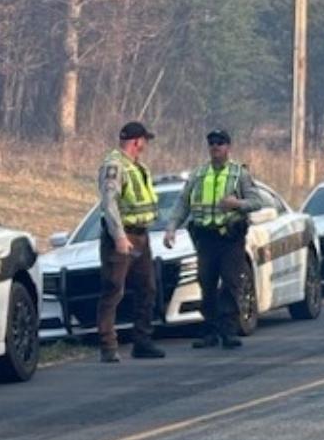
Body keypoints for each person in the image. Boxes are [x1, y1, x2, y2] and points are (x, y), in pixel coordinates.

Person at [164, 130, 268, 350]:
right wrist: (172, 227)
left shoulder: (239, 174)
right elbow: (183, 203)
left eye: (220, 143)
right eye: (211, 143)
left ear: (228, 146)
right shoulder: (198, 175)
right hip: (206, 239)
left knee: (231, 282)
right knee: (206, 283)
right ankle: (210, 330)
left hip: (230, 238)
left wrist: (237, 204)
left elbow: (256, 201)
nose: (215, 147)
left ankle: (228, 330)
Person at [95, 122, 166, 363]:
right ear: (137, 142)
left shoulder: (138, 167)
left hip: (141, 236)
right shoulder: (115, 166)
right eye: (144, 140)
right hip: (123, 236)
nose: (145, 145)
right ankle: (108, 346)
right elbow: (109, 203)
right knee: (113, 289)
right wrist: (119, 237)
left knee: (148, 288)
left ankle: (142, 342)